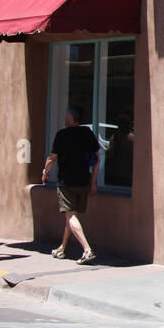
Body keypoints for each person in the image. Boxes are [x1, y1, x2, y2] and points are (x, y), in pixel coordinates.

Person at [42, 108, 100, 265]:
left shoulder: (62, 135)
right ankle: (62, 247)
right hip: (83, 181)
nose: (65, 118)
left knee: (70, 216)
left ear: (75, 119)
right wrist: (93, 181)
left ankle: (87, 250)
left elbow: (52, 158)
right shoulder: (87, 133)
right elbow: (97, 158)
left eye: (68, 116)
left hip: (66, 182)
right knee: (71, 215)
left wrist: (45, 172)